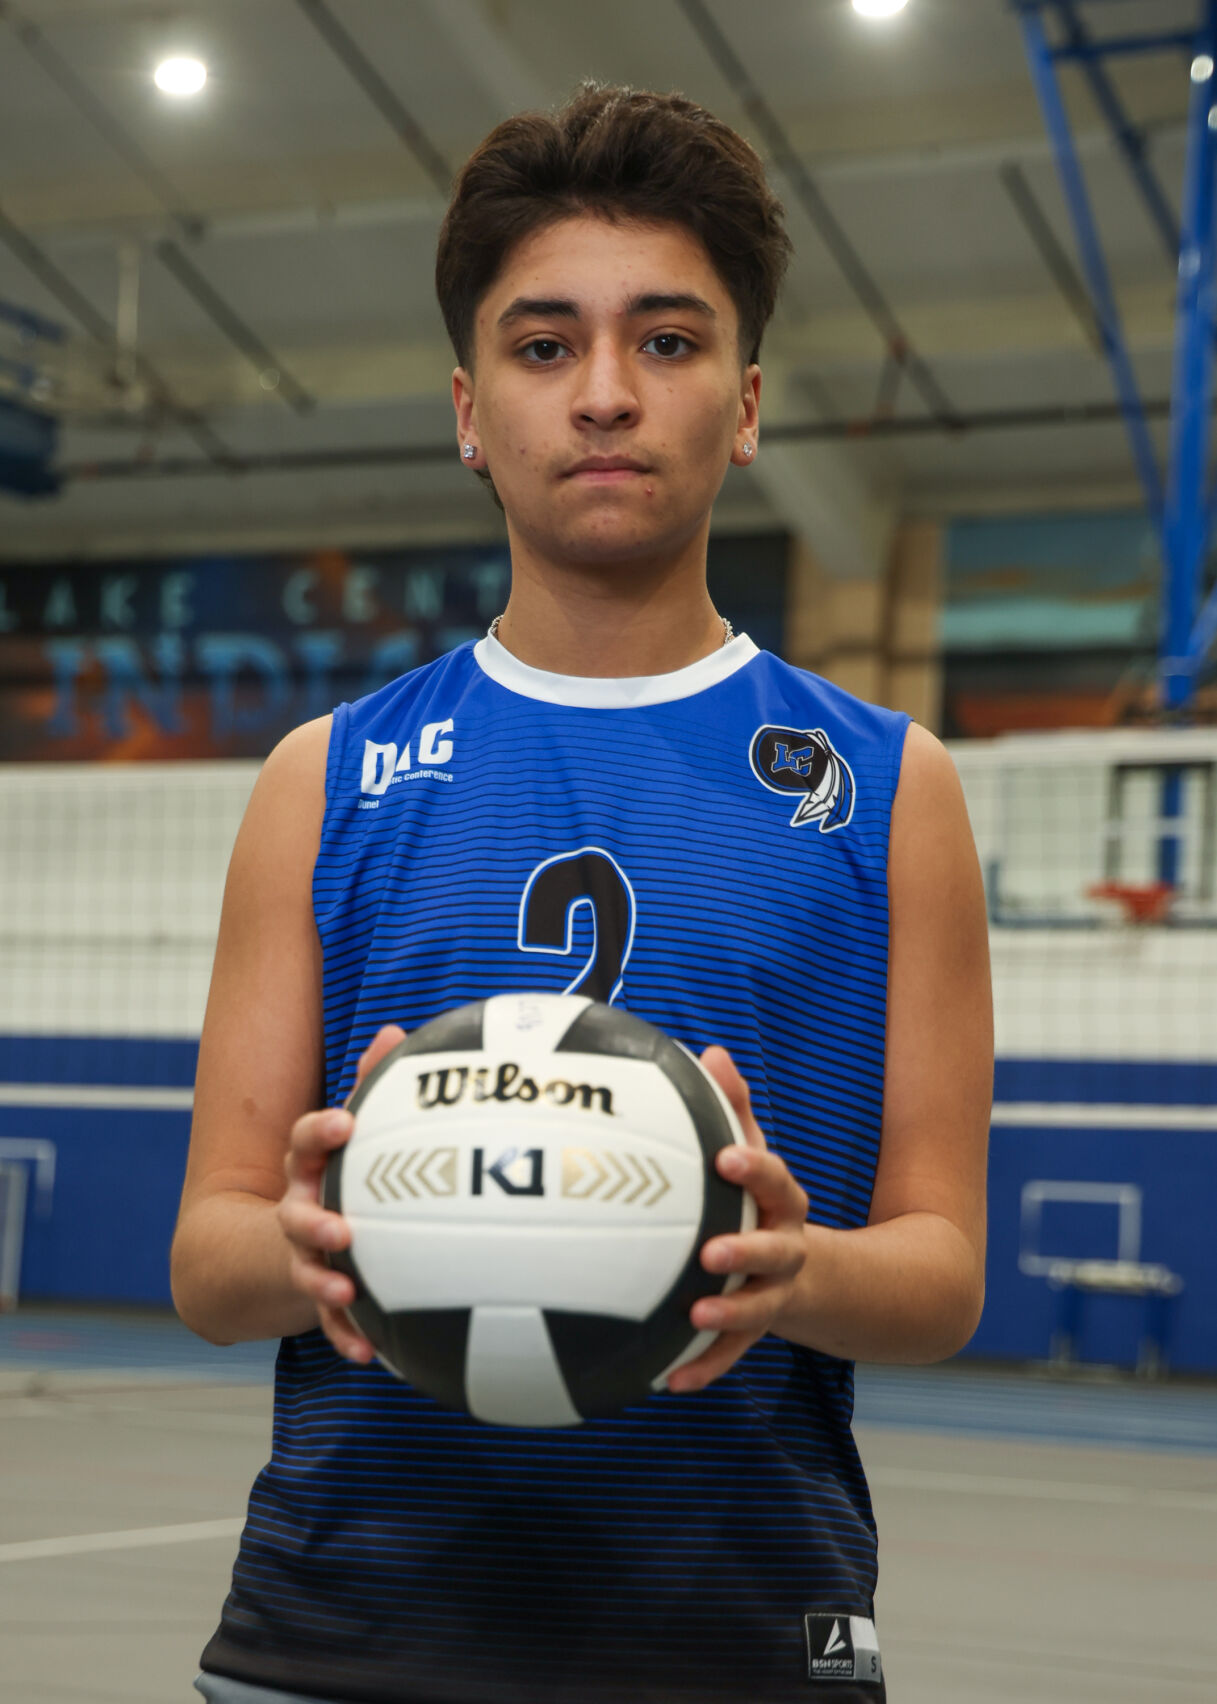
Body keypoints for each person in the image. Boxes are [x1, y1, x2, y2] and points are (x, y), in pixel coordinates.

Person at [172, 81, 992, 1704]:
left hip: (739, 1633)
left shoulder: (892, 787)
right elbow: (210, 1260)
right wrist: (324, 1237)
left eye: (665, 342)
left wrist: (793, 1270)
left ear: (742, 406)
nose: (605, 394)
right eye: (544, 346)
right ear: (469, 410)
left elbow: (941, 1272)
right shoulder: (324, 778)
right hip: (340, 1632)